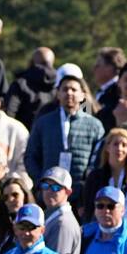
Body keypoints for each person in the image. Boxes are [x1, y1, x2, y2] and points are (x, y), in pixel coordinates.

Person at [24, 71, 102, 211]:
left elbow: (97, 160)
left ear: (82, 94)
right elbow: (30, 156)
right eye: (65, 89)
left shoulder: (94, 125)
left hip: (80, 197)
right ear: (58, 93)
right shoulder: (44, 122)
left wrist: (86, 187)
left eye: (74, 89)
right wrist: (41, 182)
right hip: (49, 193)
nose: (69, 93)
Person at [81, 127, 127, 221]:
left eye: (124, 145)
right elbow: (88, 209)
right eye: (115, 144)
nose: (119, 148)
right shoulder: (95, 177)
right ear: (107, 147)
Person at [4, 47, 55, 130]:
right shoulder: (59, 86)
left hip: (23, 137)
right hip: (48, 138)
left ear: (32, 62)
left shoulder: (20, 84)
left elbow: (9, 113)